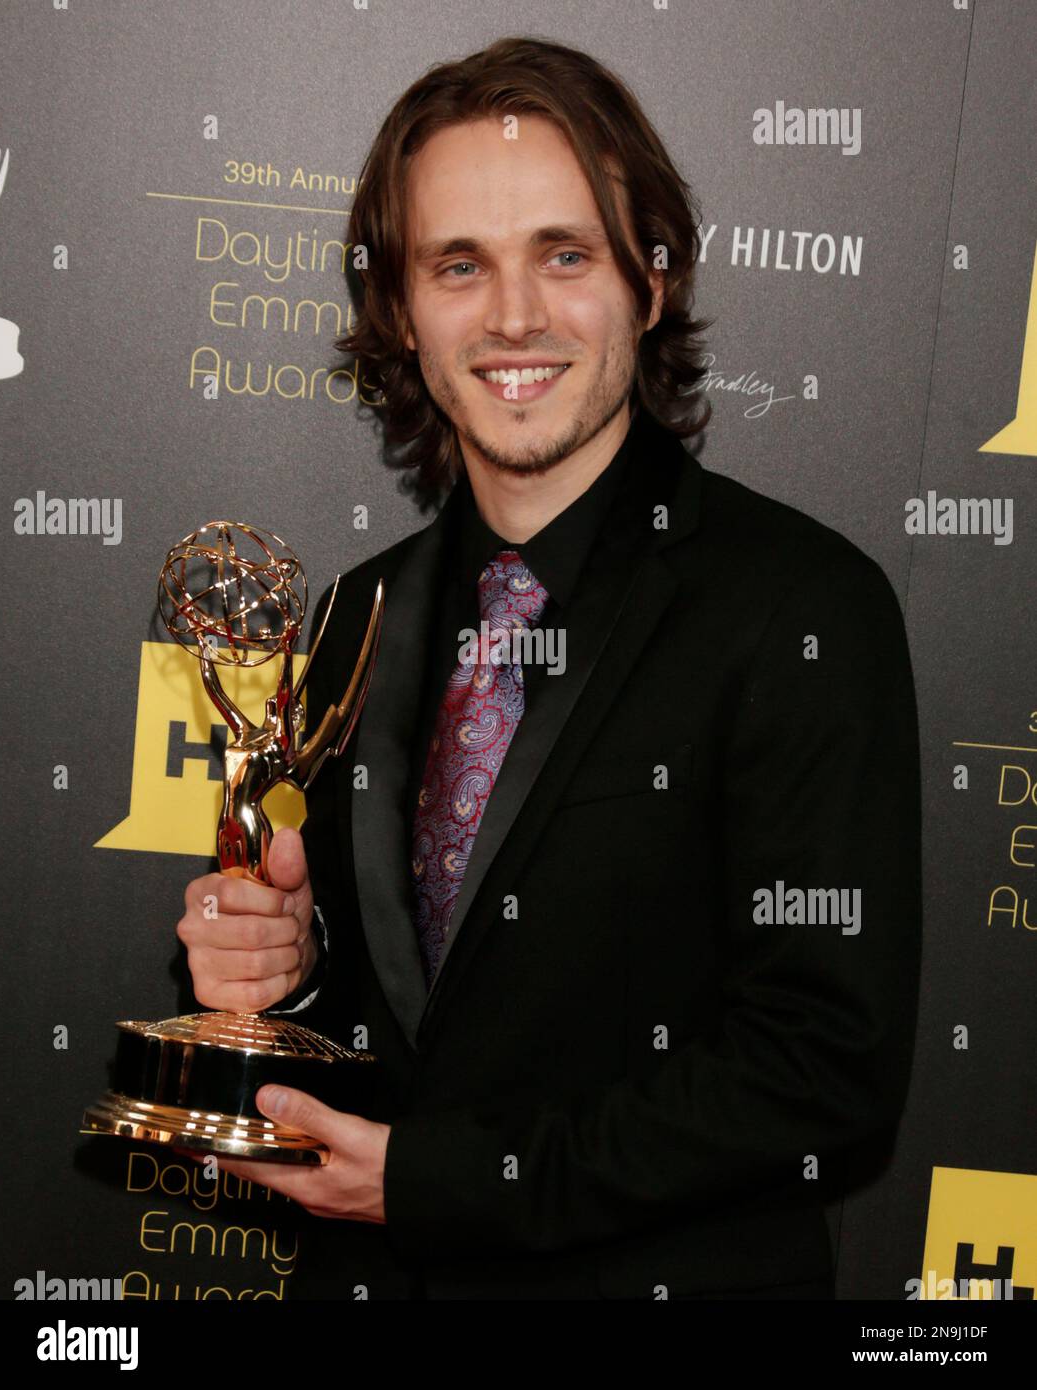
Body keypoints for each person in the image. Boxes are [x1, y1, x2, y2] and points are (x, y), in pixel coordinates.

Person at [174, 36, 922, 1299]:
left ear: (650, 279)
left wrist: (442, 1183)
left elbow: (822, 1076)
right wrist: (285, 966)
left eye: (564, 256)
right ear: (402, 315)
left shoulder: (803, 607)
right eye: (458, 265)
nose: (514, 315)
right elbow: (402, 1016)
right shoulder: (360, 613)